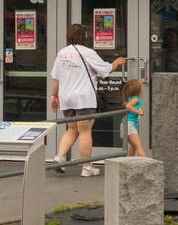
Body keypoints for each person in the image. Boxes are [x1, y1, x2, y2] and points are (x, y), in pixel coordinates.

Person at [50, 23, 125, 177]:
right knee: (85, 131)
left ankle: (60, 157)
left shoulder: (62, 53)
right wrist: (116, 63)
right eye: (85, 34)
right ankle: (87, 168)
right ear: (83, 35)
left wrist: (54, 97)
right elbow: (105, 70)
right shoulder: (87, 52)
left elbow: (56, 79)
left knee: (72, 129)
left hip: (66, 98)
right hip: (83, 97)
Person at [122, 77, 146, 157]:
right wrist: (138, 111)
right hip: (129, 125)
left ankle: (130, 161)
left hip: (126, 125)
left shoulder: (131, 97)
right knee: (139, 147)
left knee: (134, 146)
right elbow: (128, 106)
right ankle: (145, 165)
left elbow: (133, 86)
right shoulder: (136, 99)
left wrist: (141, 82)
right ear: (138, 90)